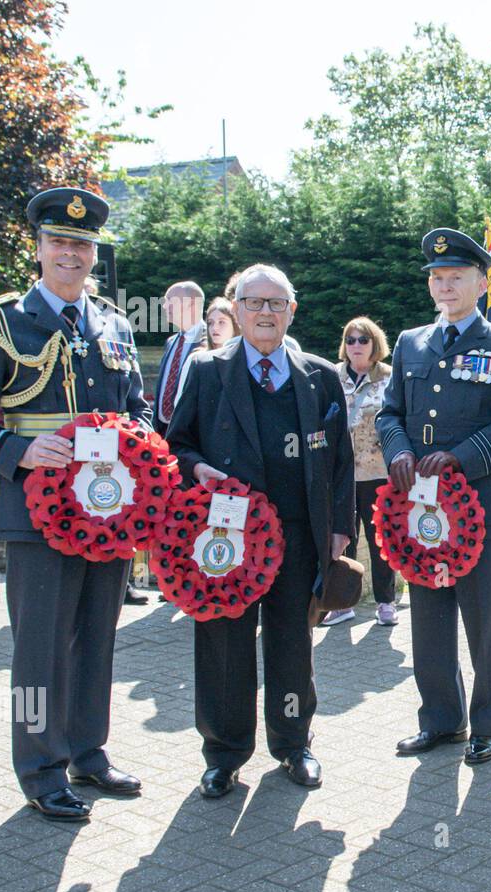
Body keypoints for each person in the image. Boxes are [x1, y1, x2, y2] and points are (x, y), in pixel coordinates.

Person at [0, 187, 150, 820]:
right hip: (37, 515)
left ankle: (88, 752)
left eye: (82, 244)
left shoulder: (114, 323)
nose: (72, 253)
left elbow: (136, 410)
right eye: (60, 241)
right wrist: (15, 451)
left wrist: (142, 455)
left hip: (108, 512)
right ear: (38, 249)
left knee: (97, 638)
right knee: (39, 645)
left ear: (94, 255)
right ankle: (39, 769)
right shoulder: (1, 322)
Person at [165, 263, 354, 798]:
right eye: (254, 302)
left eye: (276, 304)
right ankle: (224, 754)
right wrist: (196, 467)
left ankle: (293, 743)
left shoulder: (320, 373)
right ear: (236, 308)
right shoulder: (205, 370)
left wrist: (340, 530)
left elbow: (340, 462)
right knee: (223, 642)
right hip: (224, 539)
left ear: (292, 311)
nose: (265, 313)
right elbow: (177, 445)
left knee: (293, 641)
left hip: (297, 535)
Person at [377, 228, 491, 766]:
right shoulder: (409, 343)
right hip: (419, 509)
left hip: (477, 510)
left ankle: (486, 724)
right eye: (437, 279)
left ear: (480, 281)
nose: (445, 287)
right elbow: (389, 412)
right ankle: (442, 719)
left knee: (484, 622)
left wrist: (461, 458)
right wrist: (397, 450)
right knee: (429, 617)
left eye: (456, 277)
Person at [321, 316, 398, 627]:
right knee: (341, 540)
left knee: (380, 540)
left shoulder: (389, 378)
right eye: (350, 340)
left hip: (378, 472)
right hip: (341, 474)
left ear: (374, 344)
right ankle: (343, 604)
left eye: (362, 340)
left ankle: (385, 602)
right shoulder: (331, 376)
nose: (355, 346)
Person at [153, 281, 205, 437]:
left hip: (194, 436)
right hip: (163, 433)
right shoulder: (171, 342)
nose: (164, 306)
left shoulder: (212, 341)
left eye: (171, 301)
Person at [173, 296, 240, 406]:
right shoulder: (195, 360)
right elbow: (180, 403)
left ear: (235, 325)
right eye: (210, 323)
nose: (215, 328)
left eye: (221, 322)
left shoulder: (246, 361)